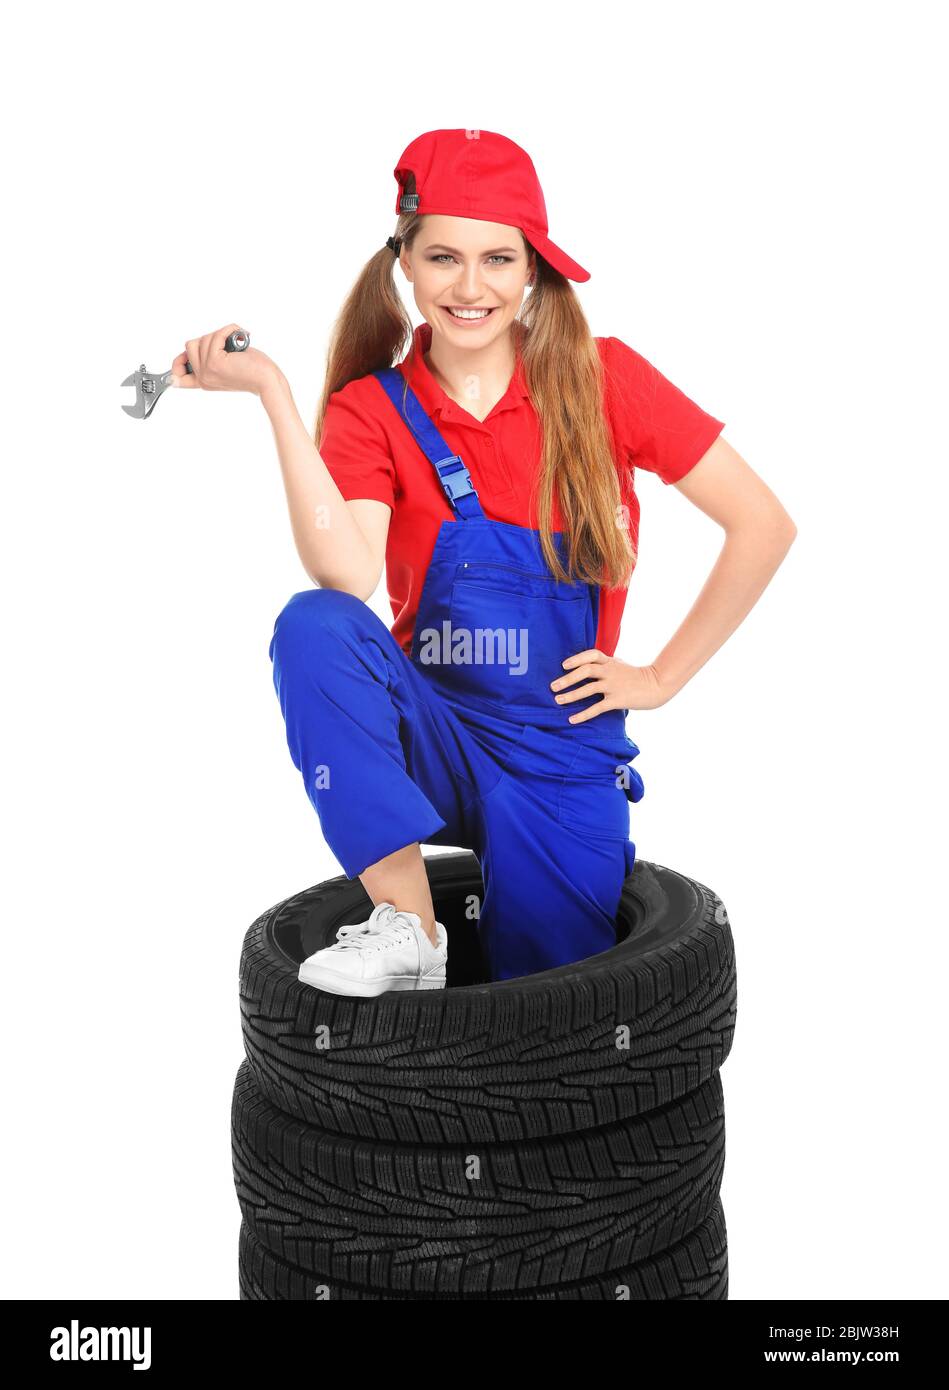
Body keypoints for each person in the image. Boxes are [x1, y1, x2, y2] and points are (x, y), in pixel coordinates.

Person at [172, 127, 796, 996]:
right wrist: (275, 396)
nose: (470, 288)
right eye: (443, 258)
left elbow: (761, 524)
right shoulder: (372, 410)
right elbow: (346, 578)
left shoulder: (603, 381)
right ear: (405, 263)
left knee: (549, 1011)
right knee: (314, 626)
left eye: (498, 259)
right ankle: (410, 923)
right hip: (425, 728)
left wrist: (657, 679)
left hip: (560, 751)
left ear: (532, 268)